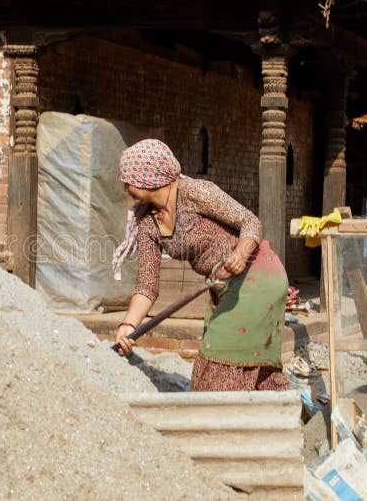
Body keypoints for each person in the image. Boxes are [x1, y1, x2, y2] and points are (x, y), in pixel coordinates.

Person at [112, 139, 289, 391]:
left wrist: (240, 252)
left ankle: (226, 424)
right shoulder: (147, 224)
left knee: (219, 360)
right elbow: (147, 285)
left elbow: (249, 221)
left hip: (256, 275)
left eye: (128, 179)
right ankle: (276, 418)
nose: (125, 186)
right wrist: (128, 325)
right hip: (224, 286)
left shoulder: (194, 192)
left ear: (148, 175)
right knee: (244, 362)